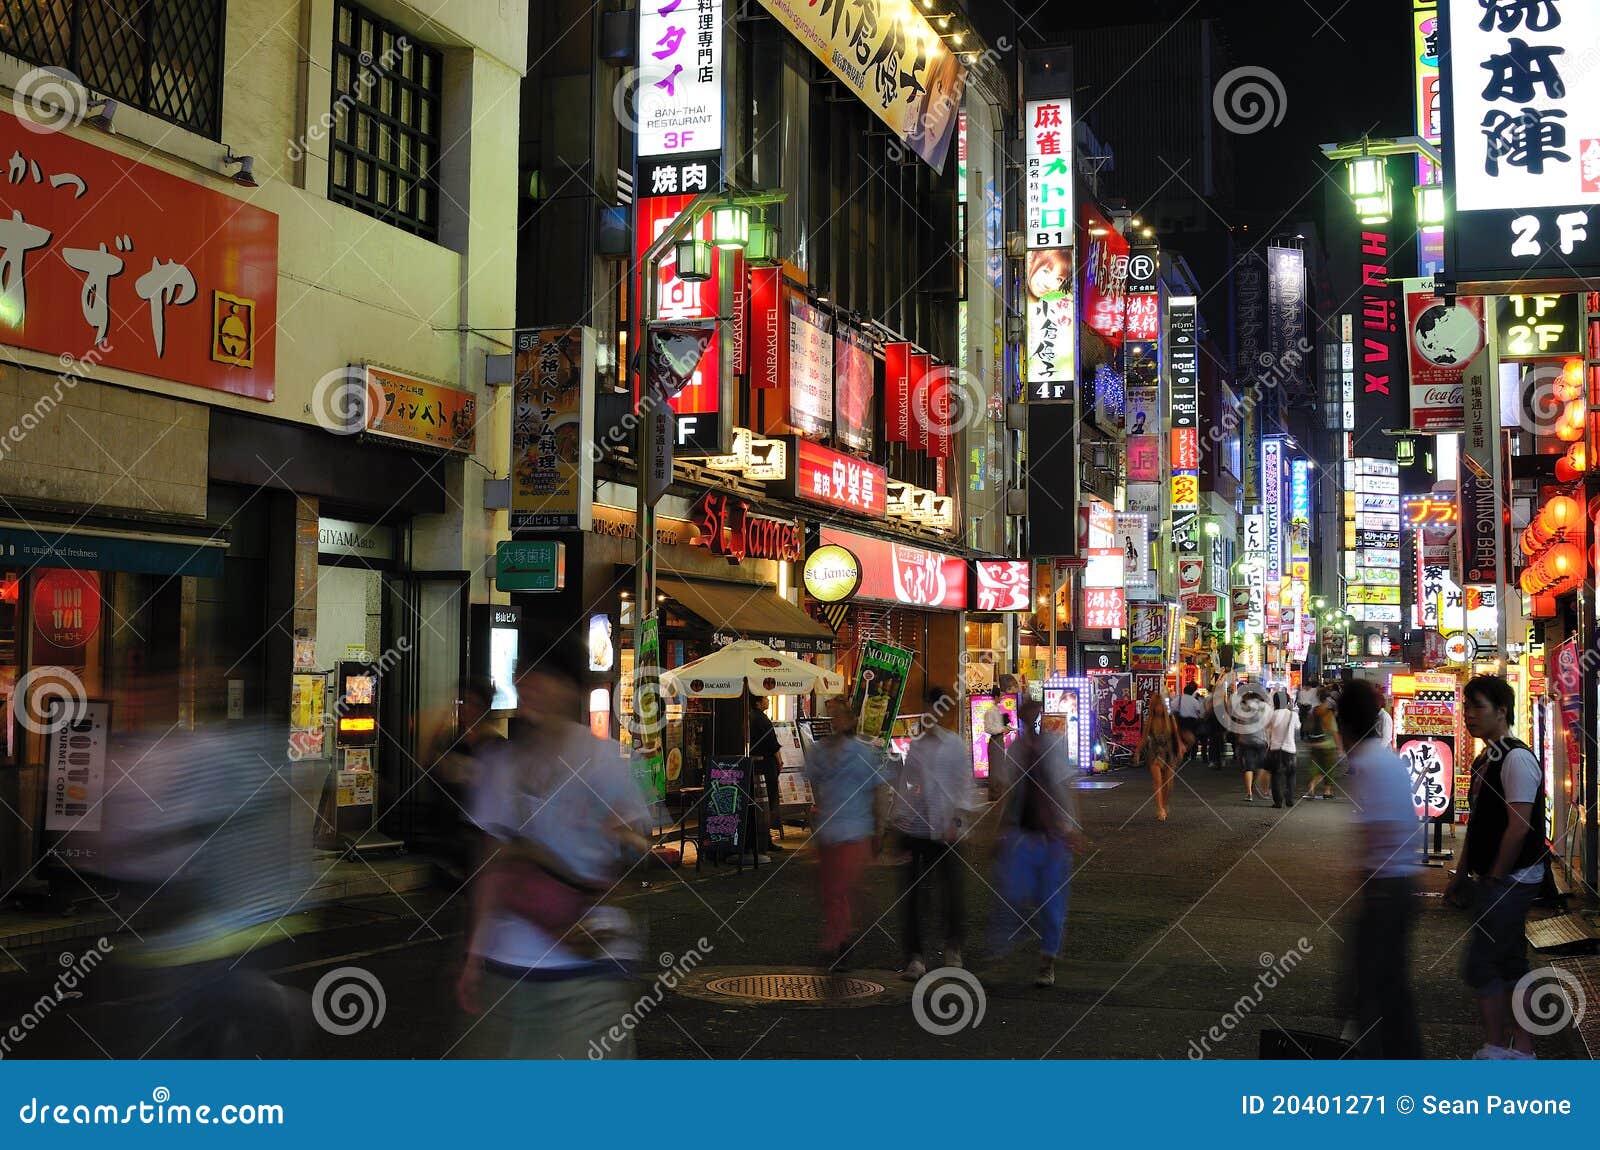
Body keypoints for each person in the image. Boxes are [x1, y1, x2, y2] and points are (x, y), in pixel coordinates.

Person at [457, 639, 651, 1059]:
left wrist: (624, 838)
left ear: (569, 689)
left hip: (588, 965)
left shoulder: (605, 761)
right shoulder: (501, 766)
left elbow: (640, 849)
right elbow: (490, 864)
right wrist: (475, 953)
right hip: (509, 964)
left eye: (540, 677)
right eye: (522, 677)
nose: (528, 687)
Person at [1447, 675, 1547, 1060]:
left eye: (1478, 707)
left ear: (1502, 711)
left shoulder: (1516, 758)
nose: (1469, 715)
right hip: (1496, 876)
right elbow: (1479, 824)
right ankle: (1519, 1049)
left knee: (1481, 962)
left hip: (1514, 878)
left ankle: (1497, 1046)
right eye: (1466, 707)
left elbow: (1517, 827)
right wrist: (1462, 872)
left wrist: (1495, 877)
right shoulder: (1485, 758)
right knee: (1508, 961)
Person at [1340, 679, 1424, 1058]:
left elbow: (1383, 825)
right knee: (1386, 983)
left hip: (1389, 887)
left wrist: (1367, 870)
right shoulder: (1379, 757)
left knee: (1373, 984)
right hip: (1395, 884)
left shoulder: (1368, 763)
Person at [989, 698, 1085, 987]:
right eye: (1025, 714)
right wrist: (999, 829)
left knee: (1052, 901)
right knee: (1014, 891)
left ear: (1039, 715)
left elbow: (1066, 787)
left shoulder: (1053, 745)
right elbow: (1008, 791)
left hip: (1053, 833)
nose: (1030, 719)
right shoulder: (1016, 749)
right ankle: (1014, 939)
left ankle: (1047, 960)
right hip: (1023, 832)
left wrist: (1072, 826)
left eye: (1033, 713)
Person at [888, 685, 975, 978]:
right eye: (926, 707)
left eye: (933, 708)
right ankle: (915, 956)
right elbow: (908, 786)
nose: (928, 713)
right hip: (916, 827)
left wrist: (956, 820)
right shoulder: (917, 745)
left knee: (951, 892)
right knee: (913, 895)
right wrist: (898, 819)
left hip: (946, 829)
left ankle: (953, 947)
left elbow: (964, 786)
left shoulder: (954, 745)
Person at [803, 697, 887, 970]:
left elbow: (877, 792)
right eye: (831, 716)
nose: (834, 720)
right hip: (831, 829)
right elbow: (814, 783)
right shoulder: (820, 752)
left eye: (839, 715)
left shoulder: (863, 753)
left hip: (854, 830)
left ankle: (839, 941)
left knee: (838, 889)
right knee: (830, 890)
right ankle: (840, 937)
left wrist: (879, 827)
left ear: (850, 720)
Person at [748, 695, 786, 853]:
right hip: (766, 763)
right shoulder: (762, 720)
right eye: (765, 698)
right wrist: (780, 761)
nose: (768, 700)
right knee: (768, 801)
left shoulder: (749, 717)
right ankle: (766, 839)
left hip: (754, 764)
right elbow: (773, 744)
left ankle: (758, 838)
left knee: (757, 801)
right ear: (758, 702)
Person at [1138, 693, 1184, 822]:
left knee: (1168, 784)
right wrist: (1137, 751)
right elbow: (1144, 737)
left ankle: (1163, 804)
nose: (1158, 708)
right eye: (1155, 705)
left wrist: (1180, 747)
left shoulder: (1170, 719)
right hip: (1154, 752)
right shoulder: (1150, 721)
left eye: (1160, 705)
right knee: (1158, 781)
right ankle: (1159, 808)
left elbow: (1177, 735)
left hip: (1168, 752)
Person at [1233, 684, 1271, 802]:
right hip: (1261, 738)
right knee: (1262, 765)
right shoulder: (1265, 706)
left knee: (1248, 767)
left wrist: (1239, 736)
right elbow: (1269, 724)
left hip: (1246, 739)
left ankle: (1249, 793)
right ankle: (1260, 787)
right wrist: (1269, 740)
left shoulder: (1243, 706)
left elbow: (1237, 723)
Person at [1303, 688, 1341, 800]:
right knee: (1328, 769)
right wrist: (1339, 747)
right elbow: (1334, 731)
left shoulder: (1313, 711)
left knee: (1315, 767)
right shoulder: (1328, 714)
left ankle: (1311, 788)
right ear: (1327, 700)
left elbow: (1306, 727)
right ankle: (1327, 791)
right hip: (1327, 745)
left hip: (1314, 744)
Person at [1265, 690, 1300, 809]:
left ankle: (1278, 802)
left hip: (1275, 749)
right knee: (1291, 775)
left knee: (1276, 776)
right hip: (1290, 749)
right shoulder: (1293, 714)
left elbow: (1267, 728)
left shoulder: (1273, 714)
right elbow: (1298, 726)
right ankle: (1289, 799)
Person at [984, 705, 1014, 801]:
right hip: (996, 739)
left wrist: (1005, 728)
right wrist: (1002, 729)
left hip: (1000, 739)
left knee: (999, 766)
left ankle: (998, 793)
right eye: (1000, 695)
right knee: (995, 768)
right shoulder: (990, 711)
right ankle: (994, 794)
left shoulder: (997, 710)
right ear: (996, 696)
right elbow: (988, 728)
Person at [1173, 682, 1205, 765]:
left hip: (1181, 721)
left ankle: (1183, 754)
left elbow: (1172, 708)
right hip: (1192, 722)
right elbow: (1200, 712)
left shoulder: (1179, 699)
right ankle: (1192, 755)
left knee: (1181, 738)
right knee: (1193, 739)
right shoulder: (1194, 701)